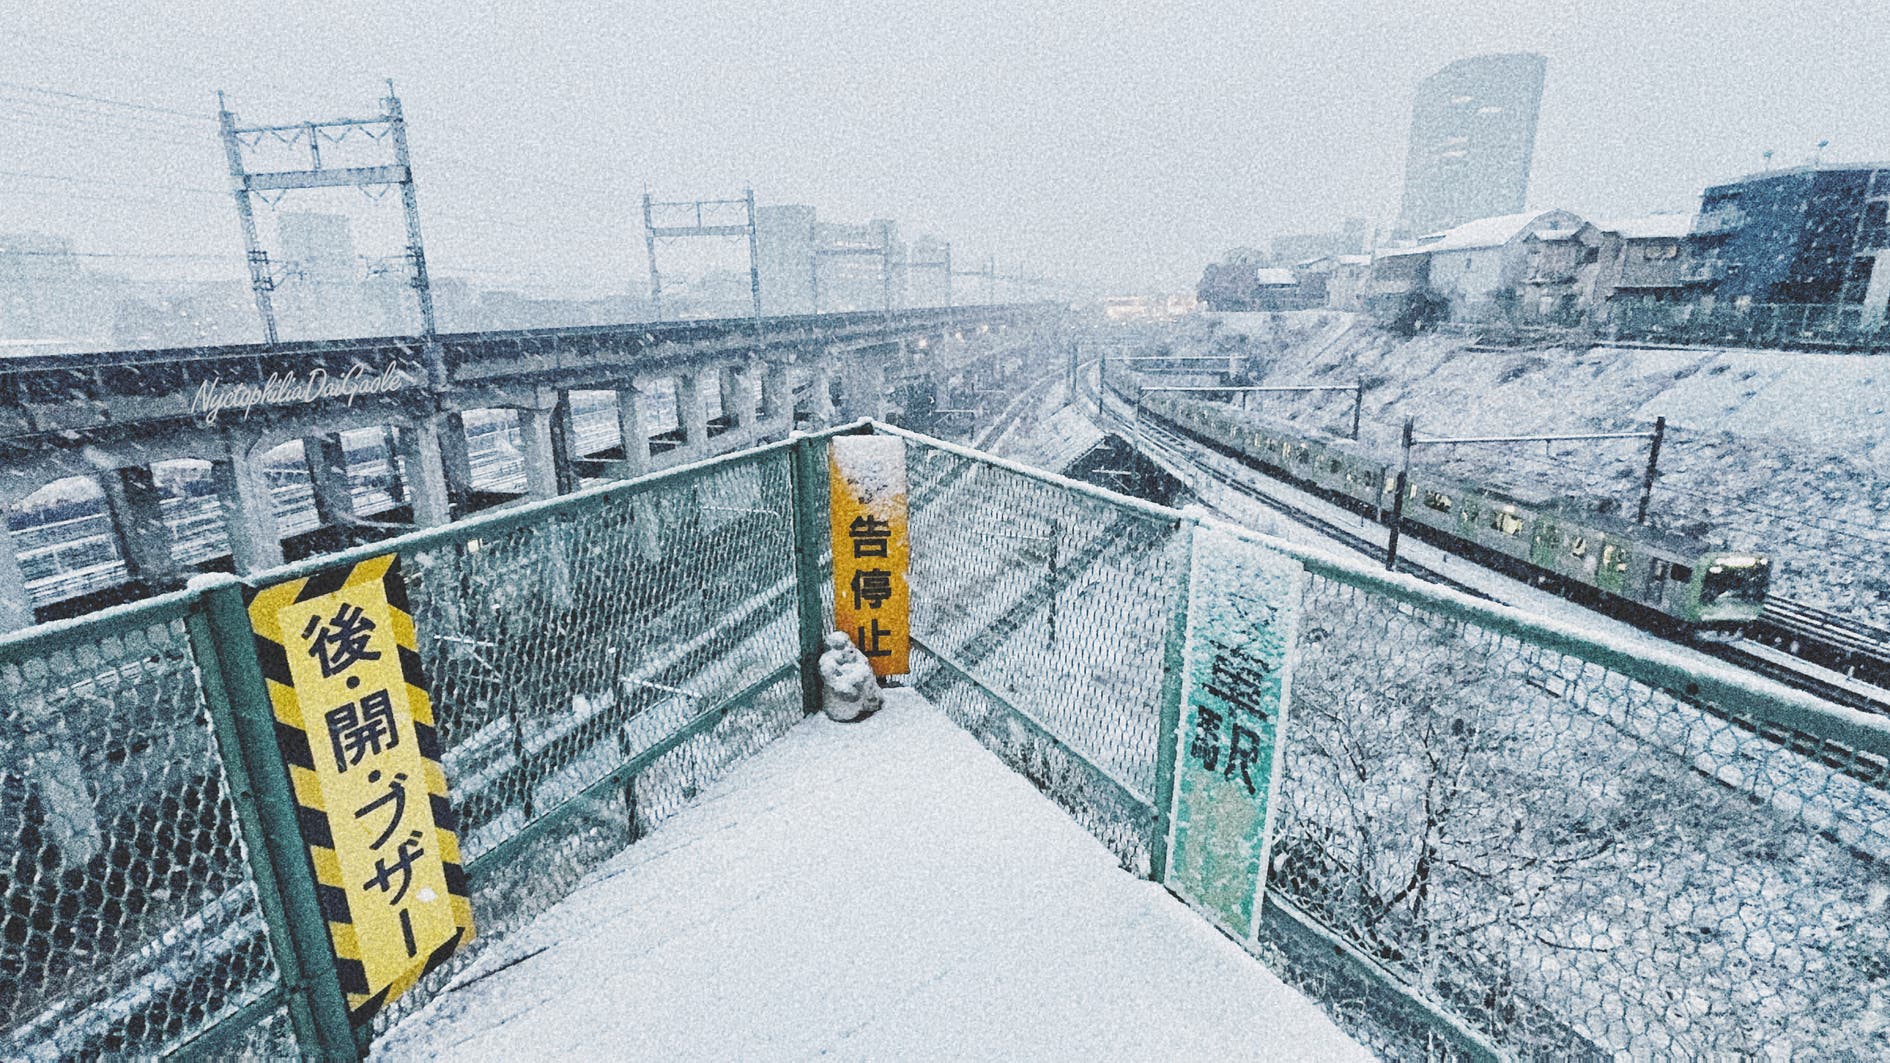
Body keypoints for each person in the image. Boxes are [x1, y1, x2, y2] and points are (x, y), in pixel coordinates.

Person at [817, 630, 883, 722]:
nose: (847, 649)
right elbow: (836, 684)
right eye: (840, 647)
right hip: (842, 705)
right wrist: (852, 684)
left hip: (861, 694)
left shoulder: (857, 655)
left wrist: (858, 678)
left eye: (848, 643)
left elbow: (864, 669)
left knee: (868, 680)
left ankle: (869, 704)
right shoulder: (827, 662)